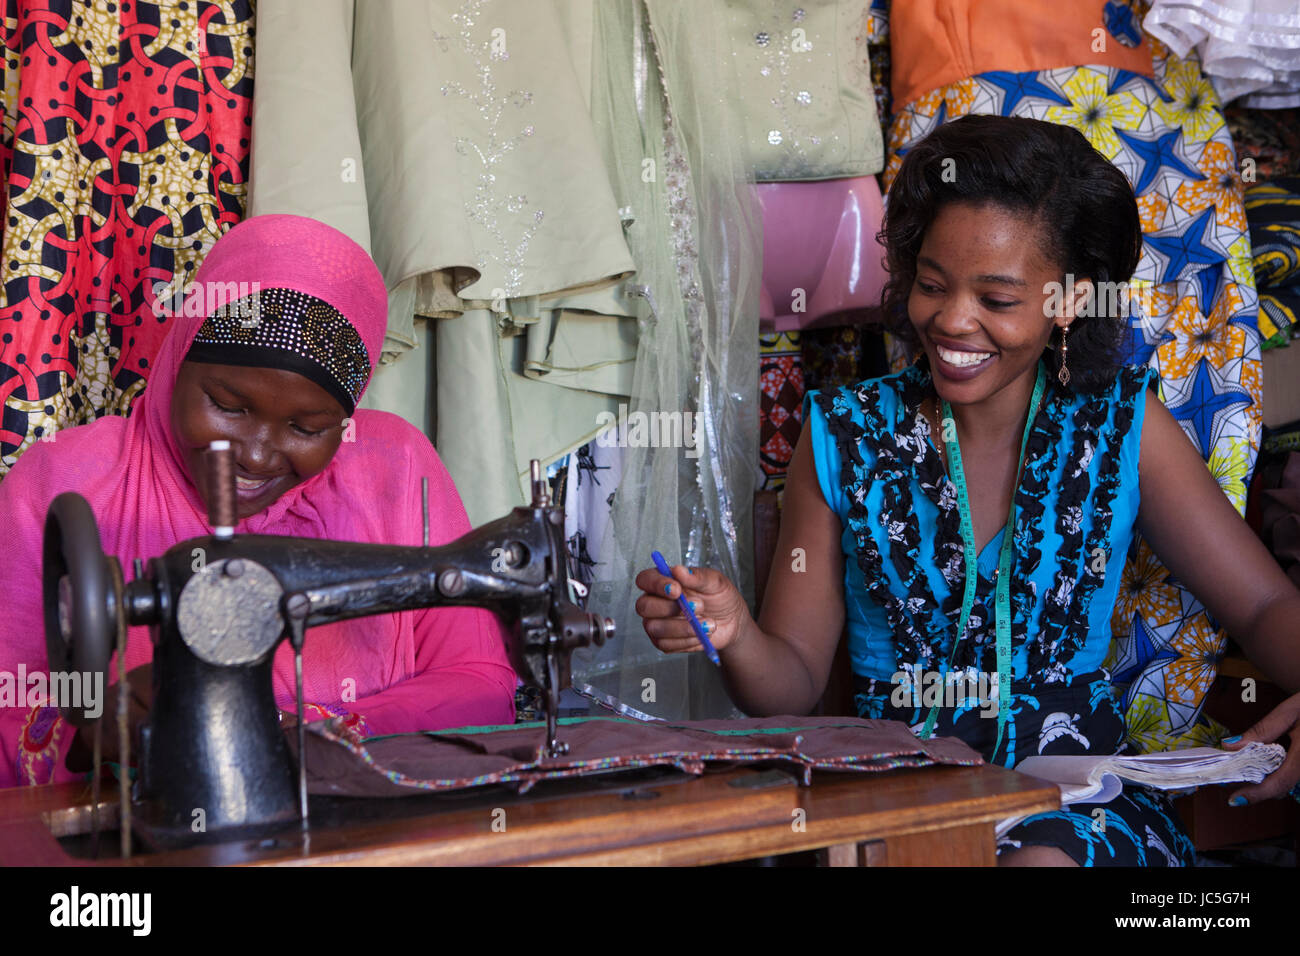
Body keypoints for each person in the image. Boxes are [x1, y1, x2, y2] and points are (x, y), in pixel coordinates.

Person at [635, 115, 1300, 867]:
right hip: (897, 795)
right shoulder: (844, 434)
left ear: (1069, 302)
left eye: (998, 298)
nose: (952, 320)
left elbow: (1264, 603)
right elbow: (788, 685)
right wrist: (733, 635)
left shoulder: (1120, 425)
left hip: (1073, 803)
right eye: (931, 284)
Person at [0, 214, 517, 789]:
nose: (255, 454)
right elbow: (9, 701)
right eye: (228, 404)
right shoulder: (64, 481)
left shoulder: (396, 467)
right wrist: (88, 733)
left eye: (307, 427)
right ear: (179, 358)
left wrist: (293, 734)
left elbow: (479, 682)